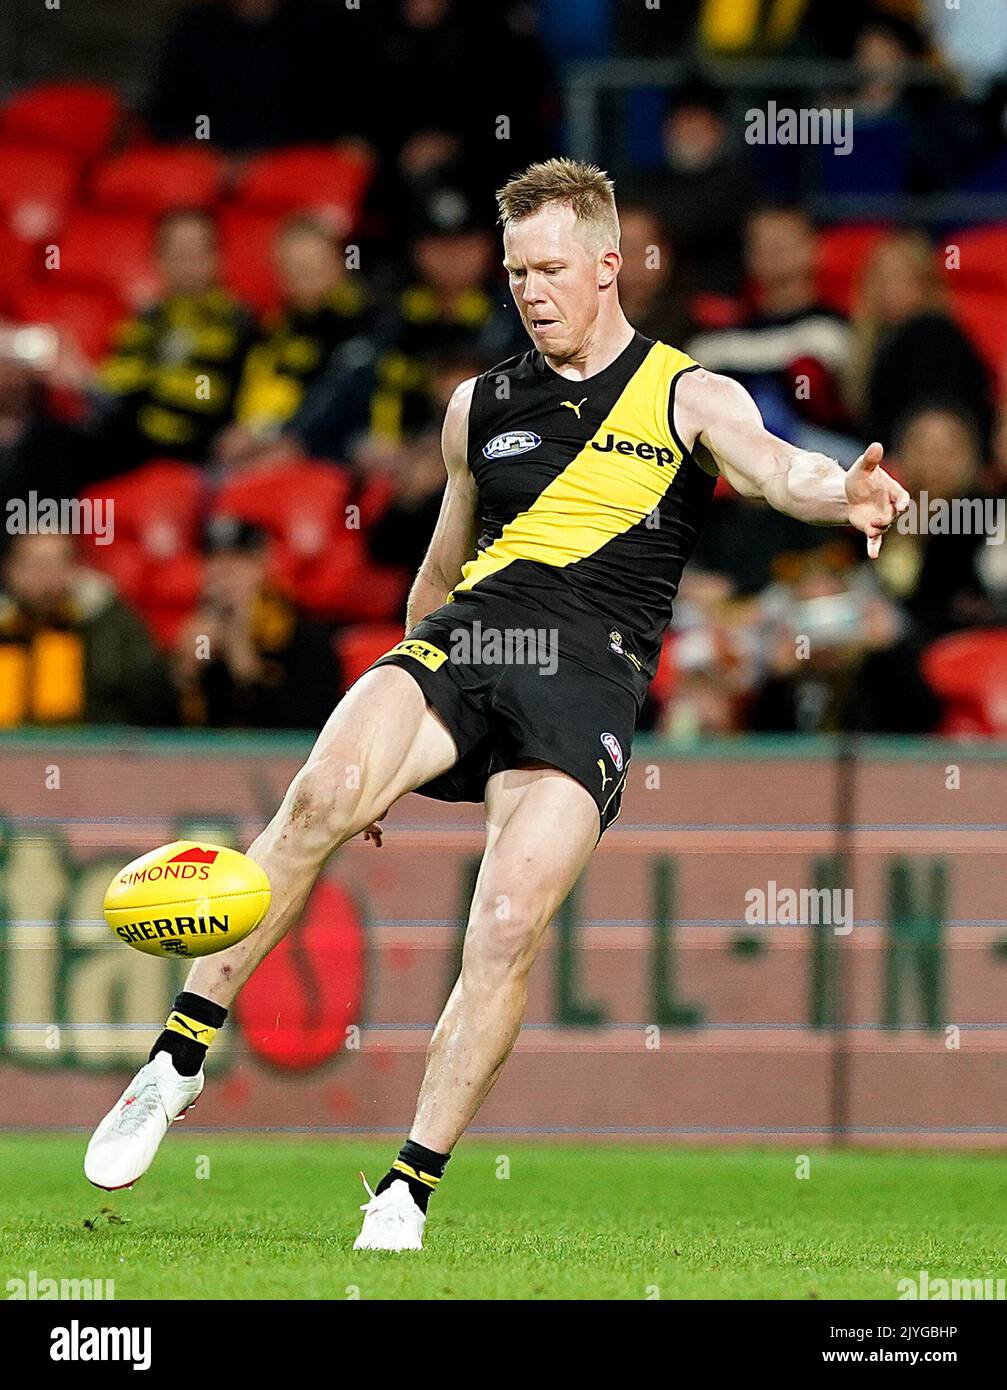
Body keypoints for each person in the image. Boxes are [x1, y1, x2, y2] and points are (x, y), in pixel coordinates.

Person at [83, 158, 908, 1250]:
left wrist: (836, 487)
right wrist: (389, 730)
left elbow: (771, 470)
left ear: (607, 264)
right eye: (516, 269)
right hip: (463, 644)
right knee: (323, 786)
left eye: (550, 267)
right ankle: (177, 1056)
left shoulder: (683, 391)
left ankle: (404, 1187)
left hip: (588, 680)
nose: (529, 288)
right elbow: (436, 573)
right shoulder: (479, 405)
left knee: (506, 922)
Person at [94, 209, 256, 467]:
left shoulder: (241, 323)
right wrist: (83, 382)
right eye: (178, 252)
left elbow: (225, 407)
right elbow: (116, 388)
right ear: (158, 259)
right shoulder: (144, 320)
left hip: (196, 456)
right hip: (125, 445)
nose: (189, 263)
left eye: (198, 252)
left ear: (218, 257)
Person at [0, 533, 174, 726]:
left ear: (75, 570)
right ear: (10, 570)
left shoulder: (109, 623)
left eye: (56, 564)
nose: (45, 576)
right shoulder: (5, 626)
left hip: (91, 749)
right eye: (33, 564)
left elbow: (150, 699)